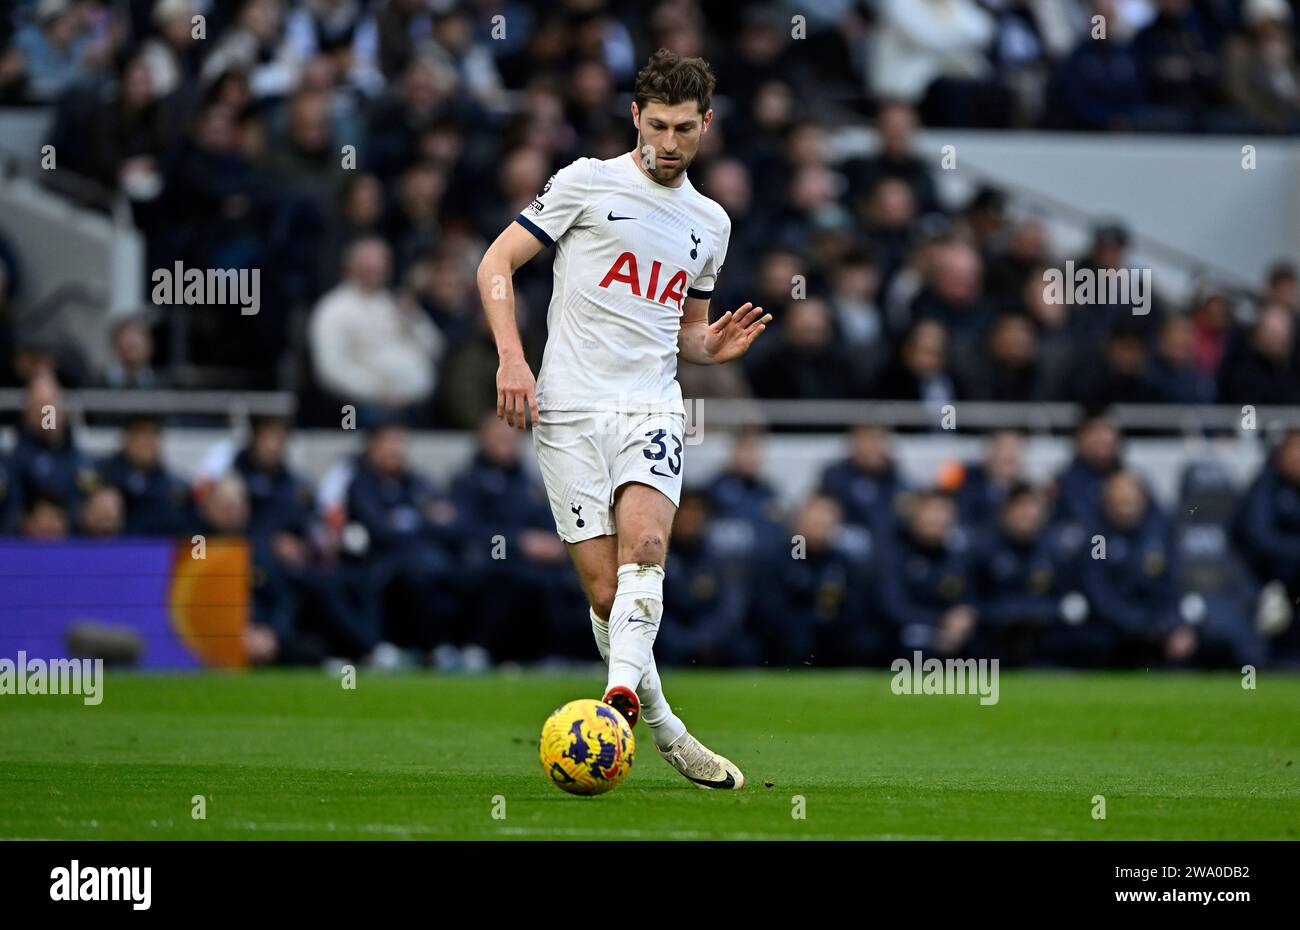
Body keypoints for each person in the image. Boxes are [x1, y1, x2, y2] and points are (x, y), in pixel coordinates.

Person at [476, 49, 771, 790]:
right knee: (607, 595)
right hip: (568, 407)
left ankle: (614, 707)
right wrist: (512, 359)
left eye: (685, 130)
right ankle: (667, 730)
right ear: (635, 118)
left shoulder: (710, 221)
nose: (669, 144)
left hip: (650, 405)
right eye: (658, 126)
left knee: (647, 546)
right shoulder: (586, 181)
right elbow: (495, 266)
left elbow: (685, 332)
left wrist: (712, 347)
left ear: (706, 126)